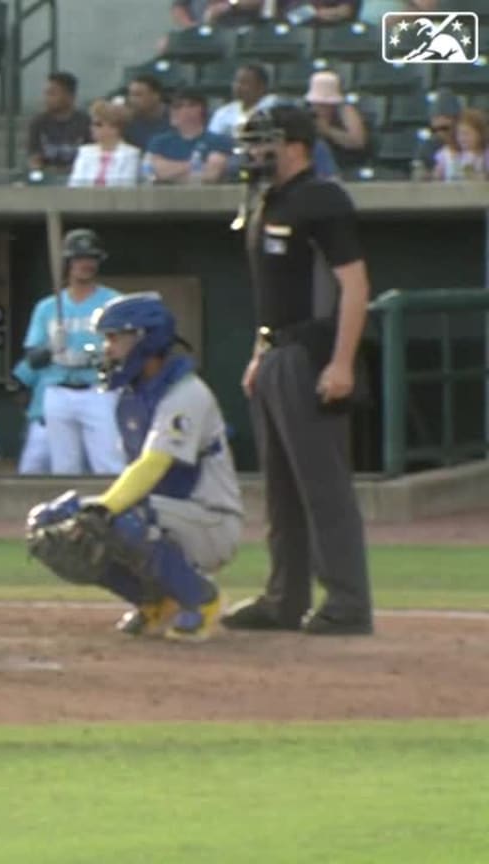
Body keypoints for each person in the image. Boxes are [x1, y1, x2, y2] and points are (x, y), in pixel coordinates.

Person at [223, 105, 374, 636]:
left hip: (312, 356)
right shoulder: (270, 200)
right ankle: (284, 597)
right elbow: (272, 295)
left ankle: (347, 602)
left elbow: (354, 286)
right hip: (274, 354)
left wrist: (340, 361)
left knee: (323, 487)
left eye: (264, 143)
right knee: (281, 489)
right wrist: (257, 352)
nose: (253, 154)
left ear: (295, 144)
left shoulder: (322, 198)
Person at [25, 293, 238, 642]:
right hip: (169, 513)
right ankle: (155, 602)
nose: (107, 349)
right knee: (51, 522)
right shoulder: (132, 396)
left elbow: (154, 465)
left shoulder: (186, 393)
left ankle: (202, 600)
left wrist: (105, 508)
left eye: (114, 338)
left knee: (117, 518)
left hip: (211, 519)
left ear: (145, 339)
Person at [14, 229, 123, 476]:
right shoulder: (48, 307)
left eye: (91, 258)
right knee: (64, 468)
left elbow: (126, 350)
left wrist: (96, 356)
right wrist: (51, 348)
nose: (86, 264)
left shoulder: (113, 302)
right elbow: (32, 359)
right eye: (79, 258)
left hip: (99, 390)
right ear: (67, 262)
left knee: (109, 463)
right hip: (57, 391)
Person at [146, 92, 233, 184]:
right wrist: (196, 166)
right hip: (165, 196)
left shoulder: (219, 141)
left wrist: (169, 171)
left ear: (197, 110)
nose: (172, 111)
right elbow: (153, 172)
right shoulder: (159, 141)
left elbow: (210, 175)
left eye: (177, 107)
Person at [305, 70, 368, 175]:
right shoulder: (308, 114)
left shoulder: (346, 111)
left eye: (325, 104)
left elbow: (358, 142)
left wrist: (328, 131)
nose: (320, 108)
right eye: (317, 104)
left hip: (345, 161)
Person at [27, 71, 90, 173]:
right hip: (47, 180)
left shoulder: (86, 123)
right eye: (46, 93)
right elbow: (34, 158)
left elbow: (91, 161)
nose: (47, 98)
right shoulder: (38, 122)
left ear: (69, 96)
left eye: (52, 93)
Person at [67, 100, 140, 187]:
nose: (92, 128)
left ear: (115, 127)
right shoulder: (85, 152)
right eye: (92, 124)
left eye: (98, 124)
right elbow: (74, 186)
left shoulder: (131, 154)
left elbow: (126, 188)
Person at [208, 63, 277, 139]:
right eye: (236, 82)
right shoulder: (223, 113)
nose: (238, 86)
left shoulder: (275, 108)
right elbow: (212, 141)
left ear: (261, 87)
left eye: (244, 83)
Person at [434, 108, 488, 182]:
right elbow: (437, 177)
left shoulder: (486, 155)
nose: (462, 138)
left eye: (467, 134)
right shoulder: (447, 154)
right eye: (459, 134)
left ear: (479, 134)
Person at [123, 74, 172, 152]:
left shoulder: (176, 118)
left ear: (156, 96)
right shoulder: (127, 121)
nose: (132, 100)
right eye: (131, 95)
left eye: (138, 95)